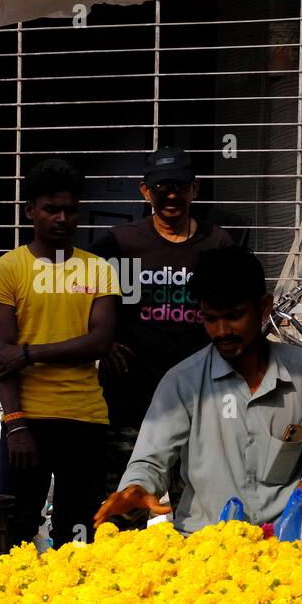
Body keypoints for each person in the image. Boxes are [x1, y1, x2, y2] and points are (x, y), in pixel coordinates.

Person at [94, 246, 302, 534]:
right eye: (210, 318)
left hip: (285, 543)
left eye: (234, 316)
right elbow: (150, 459)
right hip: (204, 544)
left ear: (264, 307)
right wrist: (135, 489)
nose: (222, 331)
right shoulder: (182, 382)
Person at [0, 158, 122, 549]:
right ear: (30, 211)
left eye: (70, 209)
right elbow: (1, 360)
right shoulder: (5, 271)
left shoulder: (98, 270)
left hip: (86, 420)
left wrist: (28, 354)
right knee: (14, 534)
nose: (62, 218)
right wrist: (16, 425)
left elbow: (100, 342)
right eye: (51, 209)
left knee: (78, 537)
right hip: (29, 423)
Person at [91, 147, 234, 519]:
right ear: (144, 192)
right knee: (125, 510)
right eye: (161, 187)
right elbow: (75, 294)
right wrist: (100, 341)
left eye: (180, 186)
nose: (171, 195)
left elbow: (240, 311)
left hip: (198, 402)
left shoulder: (217, 244)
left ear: (195, 189)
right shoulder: (119, 244)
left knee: (197, 512)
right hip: (129, 401)